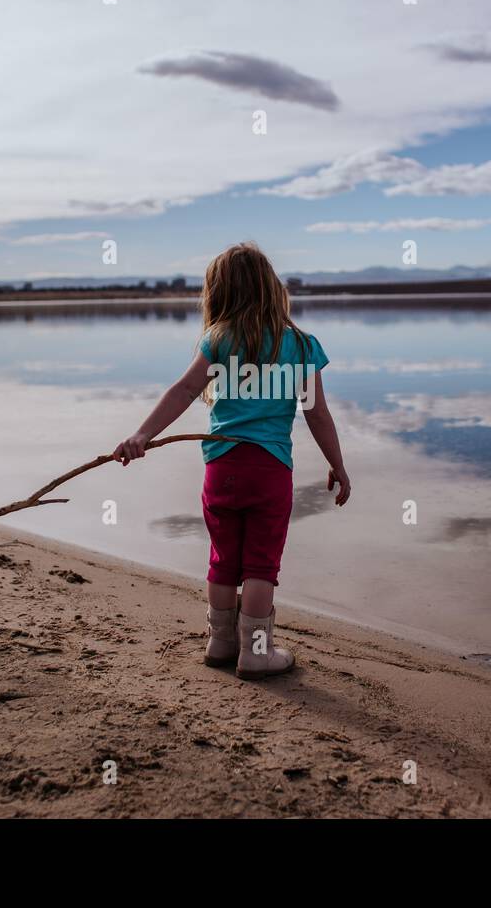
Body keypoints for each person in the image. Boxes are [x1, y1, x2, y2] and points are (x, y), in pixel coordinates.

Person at [113, 242, 350, 679]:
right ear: (272, 289)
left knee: (223, 558)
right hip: (270, 469)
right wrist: (337, 463)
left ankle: (220, 643)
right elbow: (316, 412)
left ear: (219, 293)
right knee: (261, 563)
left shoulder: (218, 339)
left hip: (221, 468)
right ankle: (256, 652)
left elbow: (183, 390)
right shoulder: (300, 345)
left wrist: (143, 434)